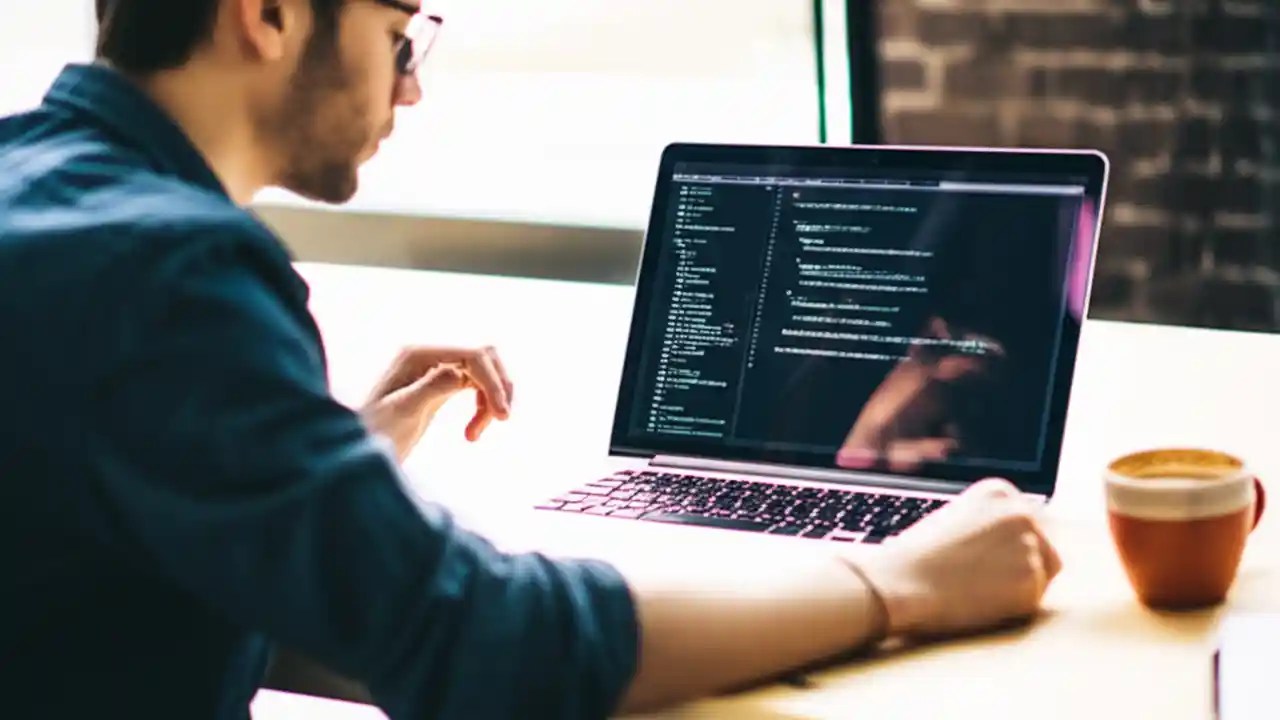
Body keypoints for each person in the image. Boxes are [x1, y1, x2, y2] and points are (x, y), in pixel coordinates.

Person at [0, 1, 1063, 718]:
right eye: (401, 35)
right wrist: (896, 581)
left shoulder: (31, 182)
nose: (408, 91)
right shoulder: (173, 273)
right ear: (268, 13)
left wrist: (323, 458)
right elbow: (480, 642)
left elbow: (95, 545)